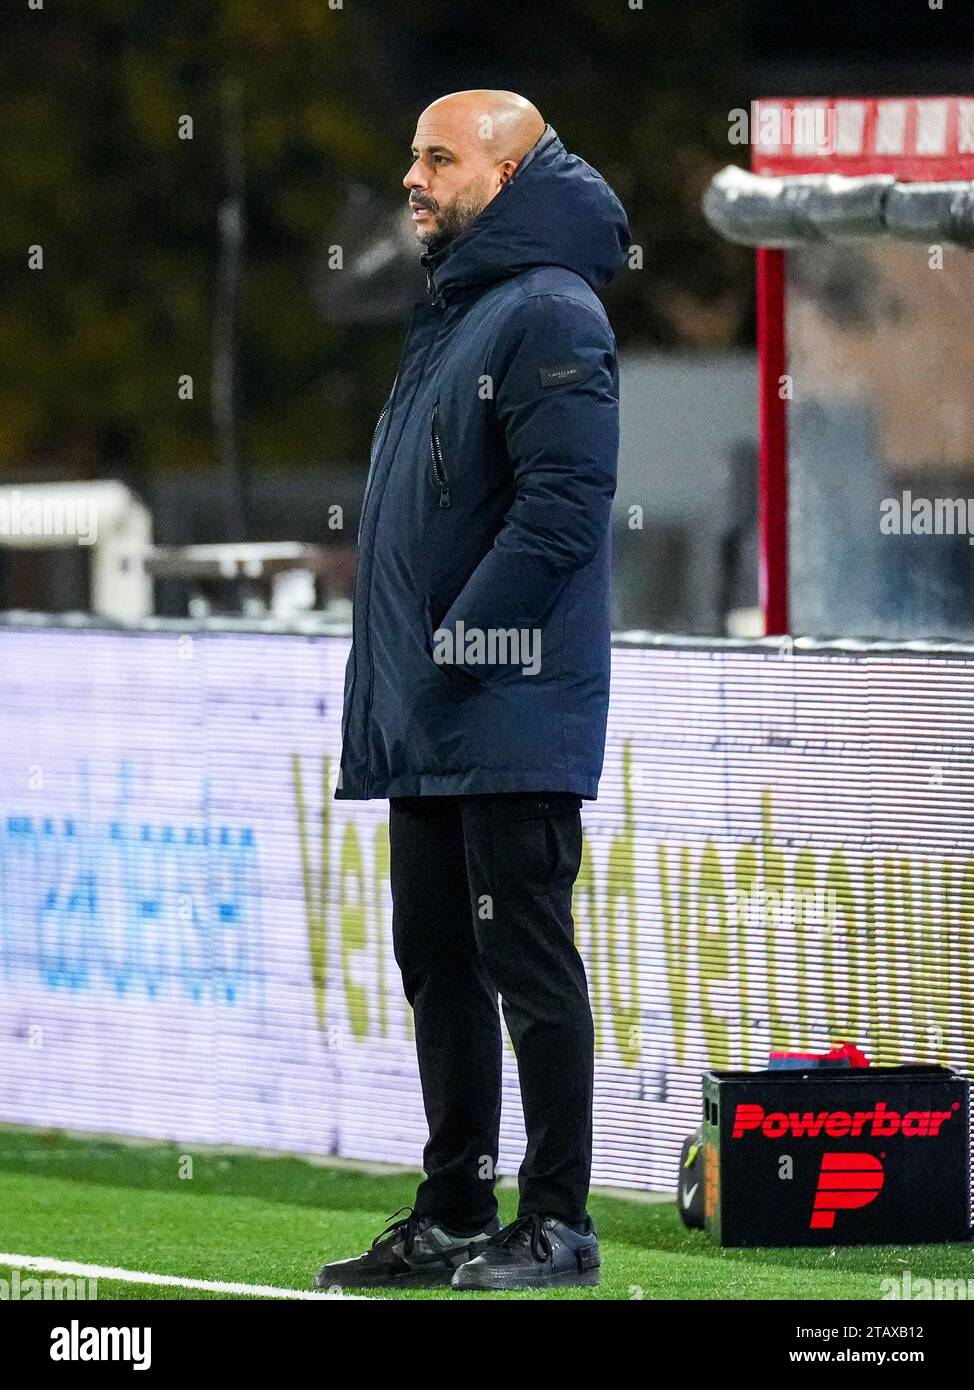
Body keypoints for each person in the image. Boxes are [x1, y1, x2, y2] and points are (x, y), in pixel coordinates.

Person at [316, 89, 629, 1292]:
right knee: (439, 964)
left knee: (528, 969)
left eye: (436, 160)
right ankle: (454, 1207)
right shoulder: (460, 312)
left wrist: (456, 645)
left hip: (505, 708)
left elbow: (560, 515)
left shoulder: (549, 310)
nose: (412, 179)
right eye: (410, 157)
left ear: (503, 176)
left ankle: (557, 1224)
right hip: (436, 717)